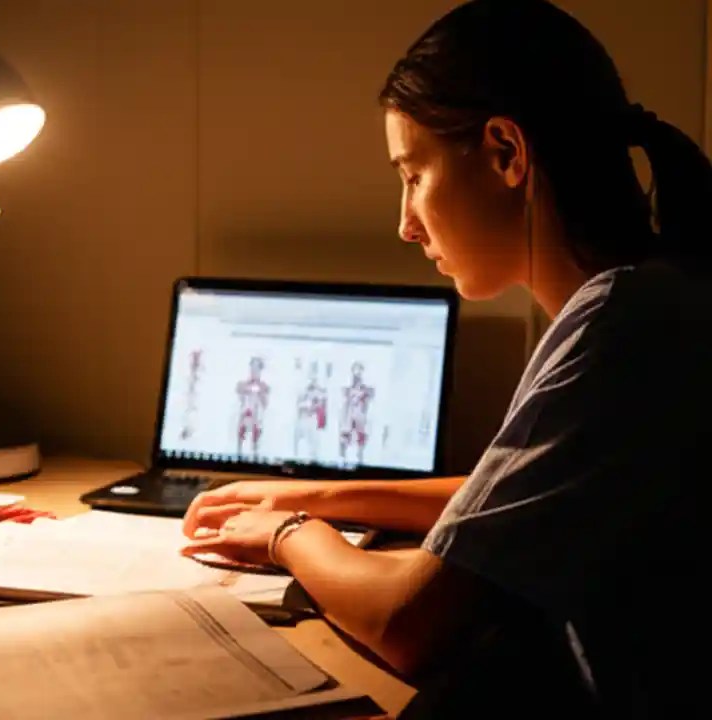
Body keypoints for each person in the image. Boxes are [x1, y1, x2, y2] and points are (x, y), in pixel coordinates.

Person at [180, 1, 710, 717]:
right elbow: (514, 496)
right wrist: (315, 495)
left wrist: (287, 536)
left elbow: (408, 623)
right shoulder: (651, 295)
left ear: (506, 154)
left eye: (414, 175)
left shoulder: (618, 326)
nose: (405, 223)